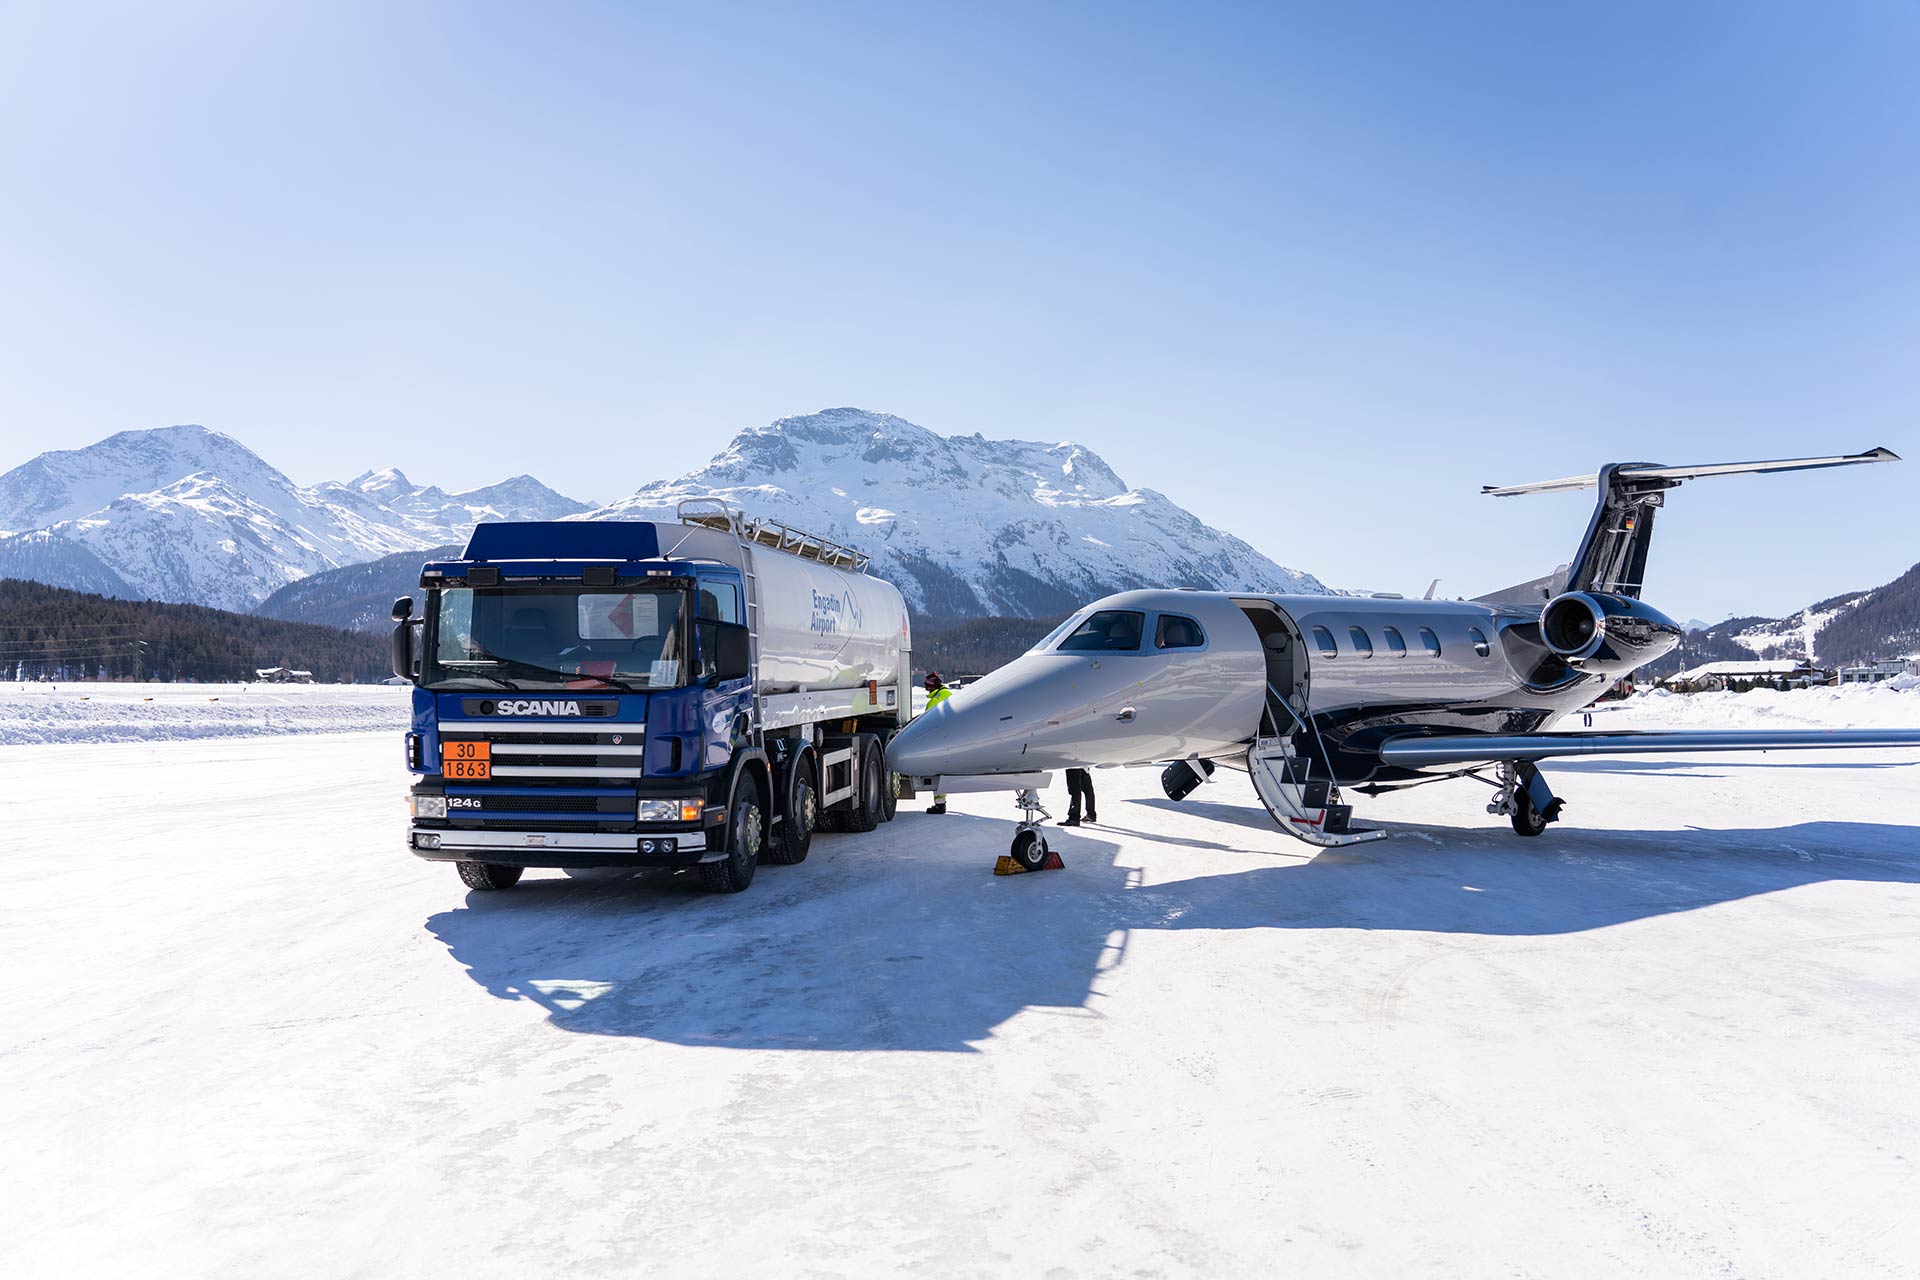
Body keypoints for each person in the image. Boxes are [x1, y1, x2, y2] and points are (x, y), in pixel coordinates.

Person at [923, 671, 952, 814]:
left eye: (927, 686)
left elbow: (928, 721)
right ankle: (941, 803)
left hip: (940, 740)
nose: (926, 689)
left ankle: (940, 804)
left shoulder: (936, 699)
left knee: (937, 771)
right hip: (947, 738)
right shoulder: (946, 695)